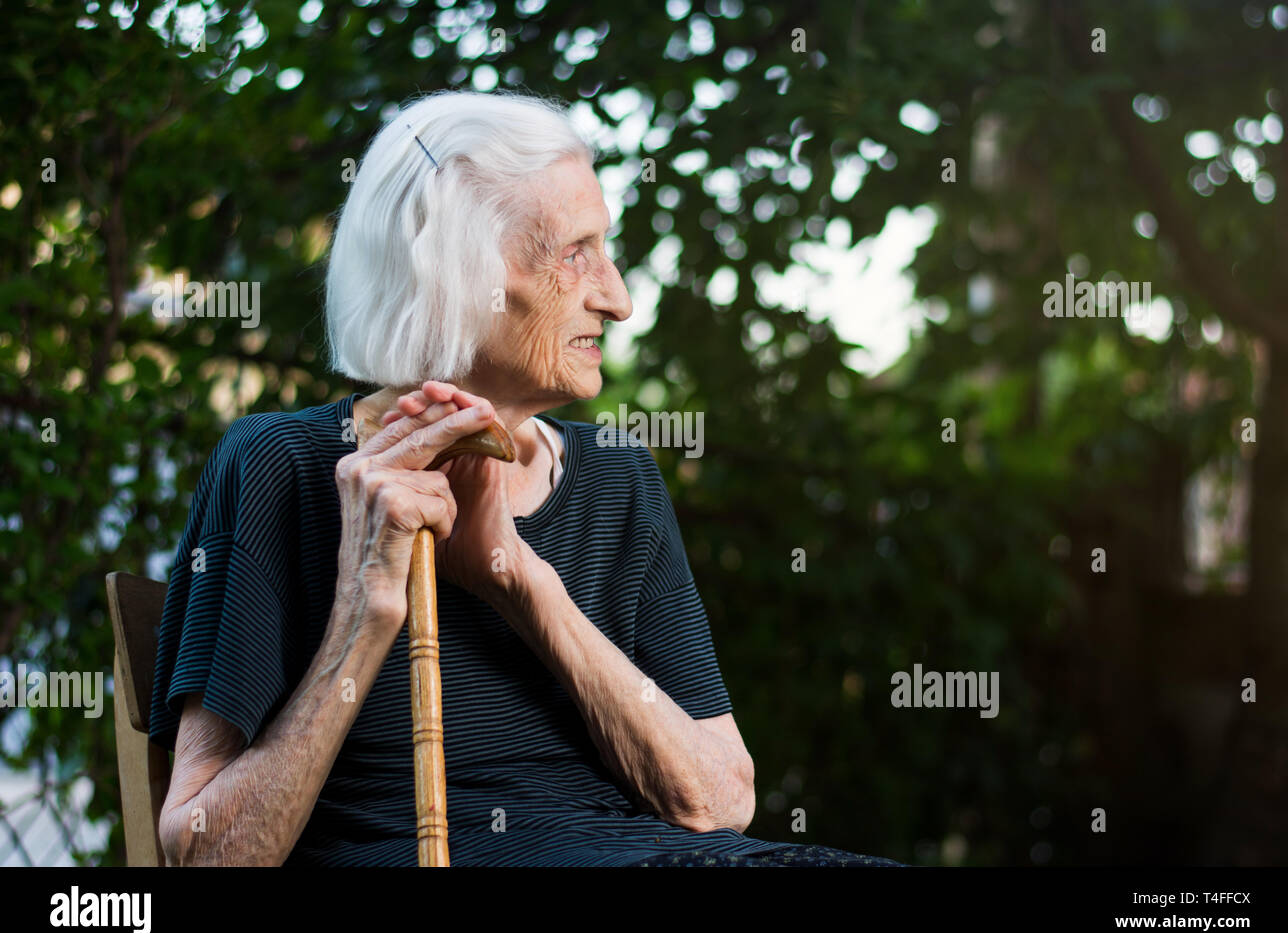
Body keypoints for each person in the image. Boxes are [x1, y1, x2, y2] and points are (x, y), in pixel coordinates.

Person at [149, 89, 900, 867]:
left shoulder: (617, 480)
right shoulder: (283, 468)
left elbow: (718, 801)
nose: (618, 298)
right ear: (461, 270)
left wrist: (520, 581)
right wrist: (366, 605)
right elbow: (205, 854)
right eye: (576, 253)